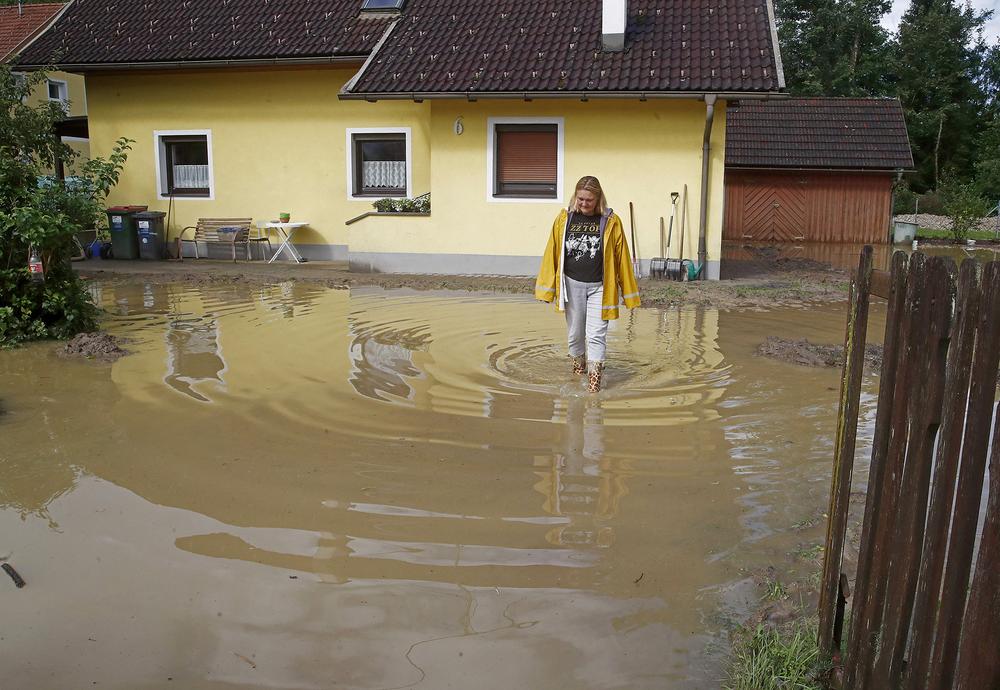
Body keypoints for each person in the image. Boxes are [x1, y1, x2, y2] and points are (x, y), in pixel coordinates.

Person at [535, 176, 640, 393]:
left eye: (589, 200)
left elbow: (622, 257)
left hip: (600, 288)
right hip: (571, 285)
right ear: (575, 196)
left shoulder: (611, 221)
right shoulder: (564, 219)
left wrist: (629, 294)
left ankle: (594, 388)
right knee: (575, 335)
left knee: (595, 336)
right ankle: (577, 374)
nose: (584, 204)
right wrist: (547, 290)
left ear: (598, 199)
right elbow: (551, 253)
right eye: (581, 199)